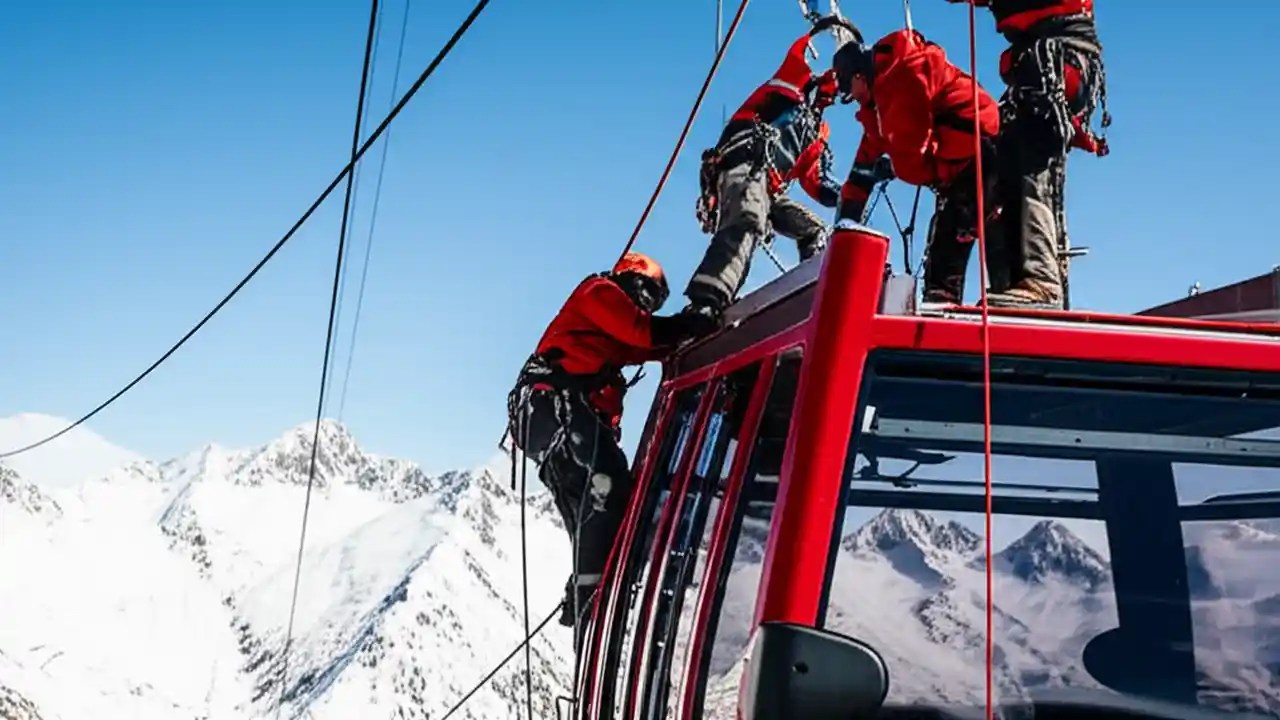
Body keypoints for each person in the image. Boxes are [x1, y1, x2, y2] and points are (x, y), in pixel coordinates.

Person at [506, 252, 709, 635]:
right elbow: (644, 334)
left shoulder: (607, 333)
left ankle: (588, 586)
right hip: (551, 404)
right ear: (633, 279)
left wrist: (685, 335)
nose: (647, 305)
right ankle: (589, 592)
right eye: (648, 294)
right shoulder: (599, 291)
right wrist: (691, 322)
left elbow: (646, 347)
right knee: (608, 482)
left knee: (595, 510)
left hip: (546, 417)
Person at [944, 0, 1110, 308]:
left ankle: (1042, 281)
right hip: (1048, 58)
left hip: (1058, 56)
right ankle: (1018, 280)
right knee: (1008, 159)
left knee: (1030, 162)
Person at [686, 19, 853, 321]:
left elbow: (813, 181)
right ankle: (706, 301)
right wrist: (823, 31)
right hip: (744, 166)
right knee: (747, 220)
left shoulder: (817, 132)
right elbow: (796, 56)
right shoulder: (793, 81)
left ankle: (810, 288)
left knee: (814, 231)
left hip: (768, 187)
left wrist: (847, 194)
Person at [831, 28, 1005, 306]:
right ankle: (968, 299)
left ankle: (950, 306)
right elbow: (864, 163)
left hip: (980, 155)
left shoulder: (900, 82)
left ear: (859, 77)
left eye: (850, 91)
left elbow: (910, 161)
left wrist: (896, 168)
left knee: (958, 233)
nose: (853, 98)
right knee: (957, 233)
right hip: (963, 162)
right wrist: (846, 217)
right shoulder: (881, 105)